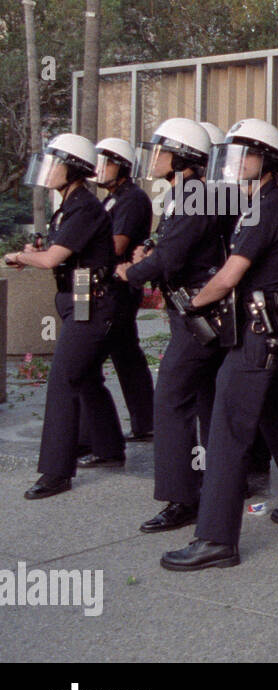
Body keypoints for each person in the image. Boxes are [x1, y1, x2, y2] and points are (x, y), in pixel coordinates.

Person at [161, 118, 278, 571]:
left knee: (227, 430)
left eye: (245, 154)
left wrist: (192, 305)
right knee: (270, 418)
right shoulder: (258, 203)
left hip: (258, 335)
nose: (235, 164)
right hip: (264, 330)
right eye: (232, 154)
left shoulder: (267, 206)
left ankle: (216, 540)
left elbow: (231, 274)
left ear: (268, 160)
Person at [113, 119, 232, 533]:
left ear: (181, 157)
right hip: (195, 309)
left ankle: (182, 497)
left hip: (194, 310)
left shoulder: (194, 195)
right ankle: (218, 484)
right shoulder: (189, 194)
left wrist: (129, 273)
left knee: (170, 400)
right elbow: (166, 245)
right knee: (205, 397)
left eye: (162, 151)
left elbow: (170, 258)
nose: (156, 158)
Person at [6, 134, 129, 499]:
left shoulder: (83, 207)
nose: (48, 171)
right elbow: (64, 253)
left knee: (62, 381)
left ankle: (56, 472)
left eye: (55, 164)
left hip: (94, 303)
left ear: (73, 168)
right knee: (86, 376)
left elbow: (50, 261)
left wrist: (20, 257)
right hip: (82, 298)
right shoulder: (69, 206)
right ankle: (108, 448)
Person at [80, 137, 154, 446]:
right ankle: (145, 423)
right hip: (100, 284)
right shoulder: (110, 199)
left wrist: (77, 248)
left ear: (121, 166)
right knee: (126, 354)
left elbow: (118, 244)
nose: (98, 170)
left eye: (105, 162)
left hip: (117, 287)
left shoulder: (131, 199)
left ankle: (100, 438)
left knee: (88, 358)